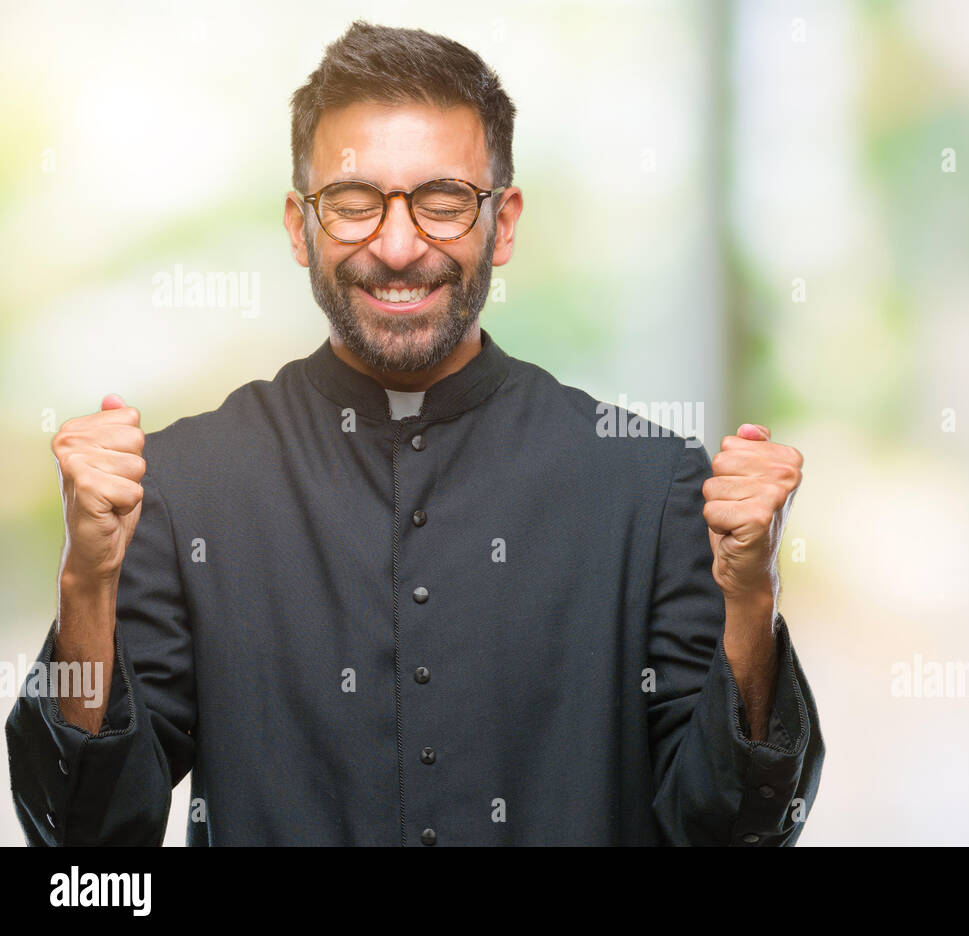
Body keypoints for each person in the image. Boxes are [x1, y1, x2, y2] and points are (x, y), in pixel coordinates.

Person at [6, 21, 823, 846]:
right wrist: (86, 581)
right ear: (301, 227)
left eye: (441, 203)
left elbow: (734, 829)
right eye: (356, 204)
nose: (398, 248)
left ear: (501, 224)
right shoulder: (185, 489)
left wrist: (753, 596)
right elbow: (85, 838)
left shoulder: (649, 484)